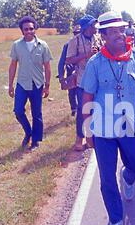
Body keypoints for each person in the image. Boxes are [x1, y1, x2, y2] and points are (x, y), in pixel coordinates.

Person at [81, 11, 135, 225]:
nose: (118, 34)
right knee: (106, 178)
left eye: (121, 29)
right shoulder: (95, 64)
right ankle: (115, 220)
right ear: (103, 35)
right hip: (103, 129)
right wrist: (86, 131)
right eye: (112, 31)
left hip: (131, 125)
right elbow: (86, 97)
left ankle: (127, 178)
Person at [8, 16, 52, 151]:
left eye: (31, 29)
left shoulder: (43, 45)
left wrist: (47, 86)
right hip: (22, 83)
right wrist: (10, 85)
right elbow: (13, 66)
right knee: (18, 111)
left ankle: (36, 141)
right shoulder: (17, 45)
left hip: (37, 84)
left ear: (35, 29)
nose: (29, 31)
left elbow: (47, 67)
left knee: (36, 113)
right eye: (26, 29)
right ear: (22, 30)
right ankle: (28, 132)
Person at [66, 14, 99, 151]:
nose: (95, 28)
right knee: (82, 110)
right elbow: (68, 60)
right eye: (92, 25)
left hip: (97, 80)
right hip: (82, 81)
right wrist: (87, 56)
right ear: (86, 27)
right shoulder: (75, 42)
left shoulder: (97, 39)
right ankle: (80, 137)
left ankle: (93, 136)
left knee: (96, 108)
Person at [57, 24, 81, 116]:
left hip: (82, 72)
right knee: (71, 92)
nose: (77, 35)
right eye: (75, 33)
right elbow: (62, 62)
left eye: (78, 33)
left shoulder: (87, 44)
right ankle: (73, 109)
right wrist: (61, 76)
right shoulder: (67, 45)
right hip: (71, 73)